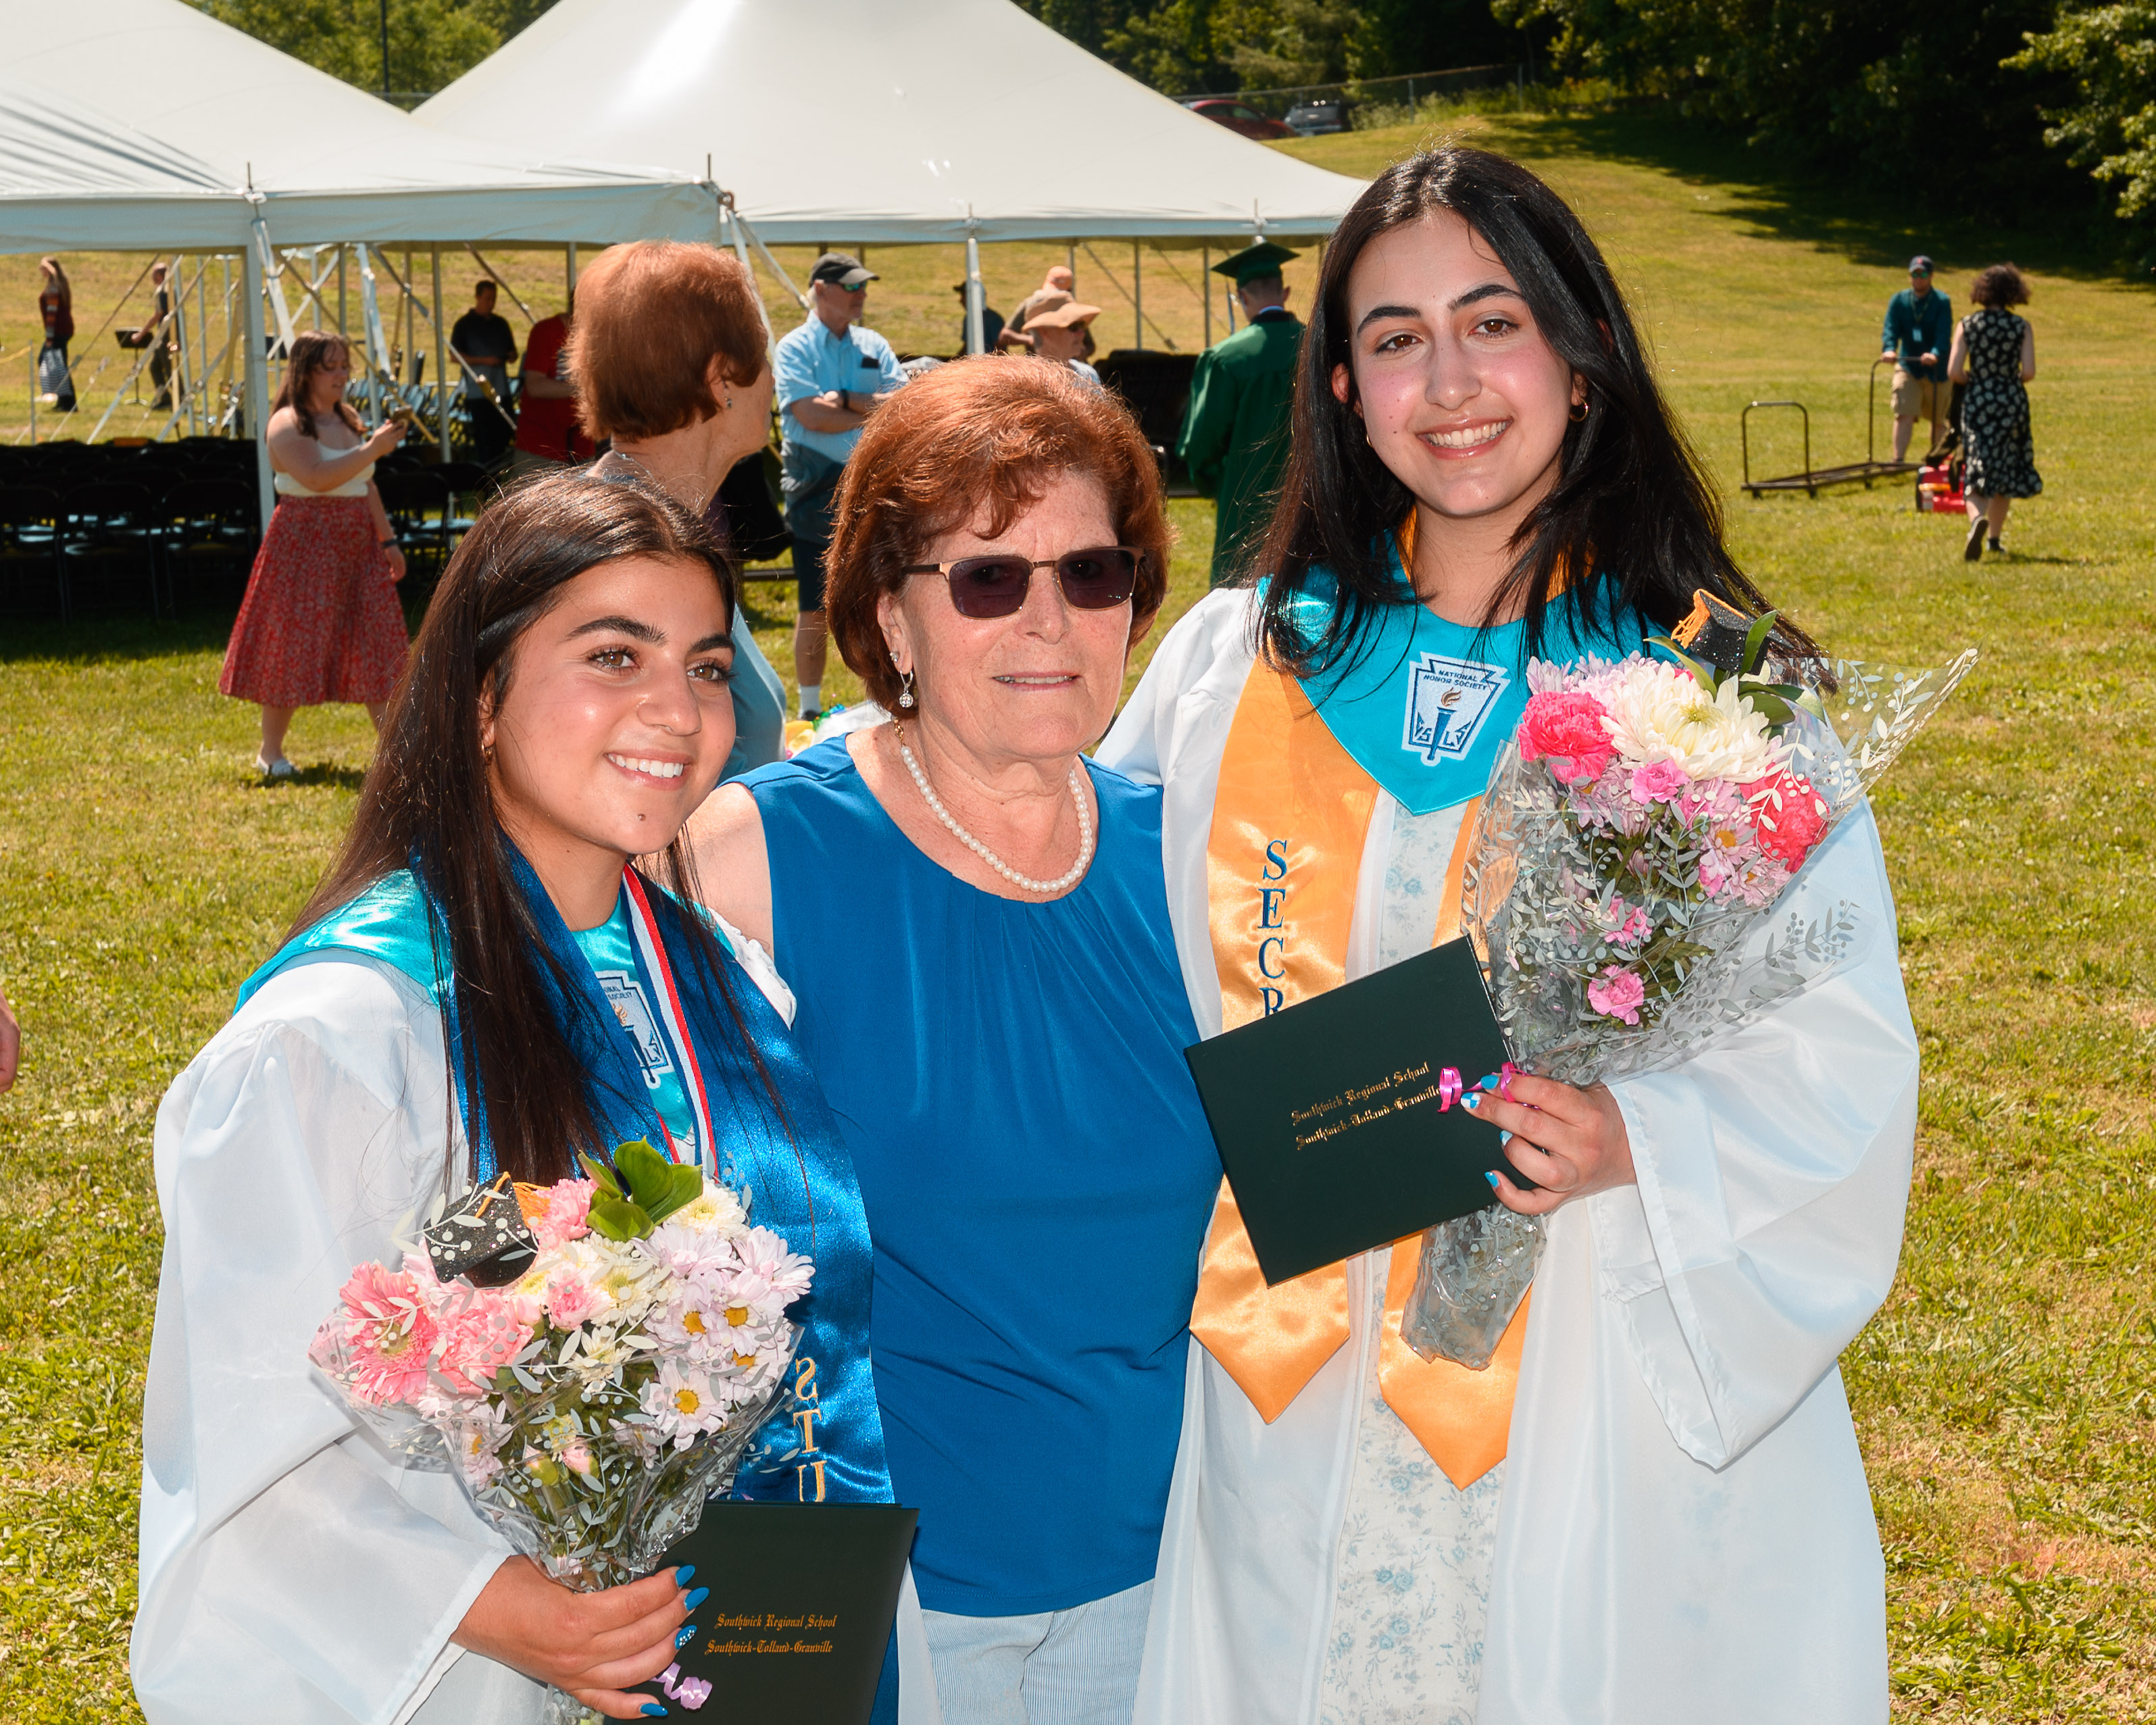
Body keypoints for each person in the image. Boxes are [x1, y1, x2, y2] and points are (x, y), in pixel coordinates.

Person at [1098, 146, 1919, 1724]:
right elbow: (1086, 948)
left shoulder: (1713, 691)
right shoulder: (1238, 661)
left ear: (1579, 353)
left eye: (1493, 322)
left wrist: (1636, 1132)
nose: (1448, 380)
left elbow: (1838, 1058)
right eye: (1395, 337)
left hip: (1590, 1377)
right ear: (1339, 385)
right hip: (1290, 1367)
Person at [136, 472, 911, 1724]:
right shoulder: (349, 1034)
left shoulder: (726, 980)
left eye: (710, 667)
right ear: (481, 696)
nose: (678, 709)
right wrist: (512, 1608)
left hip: (763, 1646)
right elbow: (254, 1434)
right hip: (480, 1666)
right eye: (615, 653)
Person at [688, 359, 1224, 1721]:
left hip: (1169, 1586)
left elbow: (1330, 1183)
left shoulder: (1198, 861)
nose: (1050, 619)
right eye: (988, 576)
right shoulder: (755, 859)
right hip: (857, 1604)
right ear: (892, 617)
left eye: (1092, 573)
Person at [570, 239, 790, 779]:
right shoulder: (636, 545)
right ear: (721, 381)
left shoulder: (662, 521)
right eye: (762, 360)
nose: (773, 381)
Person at [218, 330, 409, 780]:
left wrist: (388, 540)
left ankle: (395, 757)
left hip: (357, 542)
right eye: (332, 367)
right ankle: (270, 753)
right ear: (305, 371)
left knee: (377, 642)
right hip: (304, 542)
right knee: (292, 645)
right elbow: (317, 477)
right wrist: (373, 448)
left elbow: (365, 484)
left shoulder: (348, 417)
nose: (342, 375)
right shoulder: (287, 423)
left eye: (345, 366)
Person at [773, 251, 907, 720]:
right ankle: (809, 712)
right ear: (820, 290)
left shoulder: (872, 342)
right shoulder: (792, 348)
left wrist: (847, 400)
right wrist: (869, 409)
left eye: (863, 286)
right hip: (815, 490)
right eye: (851, 287)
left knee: (885, 600)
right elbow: (808, 414)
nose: (861, 294)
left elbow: (902, 405)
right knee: (814, 605)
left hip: (872, 488)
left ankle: (887, 701)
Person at [1178, 241, 1303, 586]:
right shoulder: (1317, 349)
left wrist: (1219, 482)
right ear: (1286, 292)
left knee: (1242, 614)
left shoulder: (1226, 360)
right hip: (1312, 505)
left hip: (1245, 510)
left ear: (1242, 298)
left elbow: (1200, 446)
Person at [1949, 263, 2040, 561]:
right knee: (2006, 469)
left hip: (1979, 401)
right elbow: (2028, 373)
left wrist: (1974, 379)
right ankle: (1995, 540)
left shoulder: (1967, 324)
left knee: (1976, 464)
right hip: (2012, 401)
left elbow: (1953, 371)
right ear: (2013, 292)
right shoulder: (2021, 326)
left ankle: (1977, 519)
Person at [1882, 253, 1953, 461]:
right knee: (1904, 413)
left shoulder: (1941, 301)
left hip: (1937, 371)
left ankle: (1937, 462)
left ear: (1931, 276)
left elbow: (1943, 334)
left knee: (1938, 421)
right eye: (1914, 274)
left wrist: (1935, 354)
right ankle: (1898, 462)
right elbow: (1890, 328)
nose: (1918, 278)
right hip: (1909, 366)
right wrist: (1889, 349)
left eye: (1922, 274)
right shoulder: (1899, 300)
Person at [511, 299, 589, 476]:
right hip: (540, 449)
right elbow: (535, 386)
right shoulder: (546, 332)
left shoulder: (596, 336)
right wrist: (582, 388)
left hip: (582, 448)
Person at [450, 278, 520, 468]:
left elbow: (513, 353)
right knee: (484, 438)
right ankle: (486, 475)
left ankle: (502, 472)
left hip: (501, 389)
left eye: (494, 299)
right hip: (478, 390)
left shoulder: (501, 324)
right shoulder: (464, 325)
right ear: (478, 297)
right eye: (487, 299)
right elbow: (455, 356)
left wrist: (510, 355)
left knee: (504, 434)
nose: (491, 303)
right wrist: (484, 360)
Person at [1022, 293, 1104, 386]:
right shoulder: (1027, 382)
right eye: (1073, 327)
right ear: (1045, 332)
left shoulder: (1087, 374)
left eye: (1082, 325)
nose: (1082, 334)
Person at [997, 263, 1076, 351]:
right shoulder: (1031, 303)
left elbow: (1089, 345)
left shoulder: (1074, 310)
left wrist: (1077, 351)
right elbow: (1005, 335)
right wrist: (1033, 340)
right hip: (1036, 361)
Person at [36, 257, 75, 412]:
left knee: (52, 364)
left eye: (43, 269)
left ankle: (68, 402)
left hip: (58, 332)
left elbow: (51, 316)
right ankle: (64, 401)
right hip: (64, 330)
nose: (41, 272)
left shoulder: (53, 288)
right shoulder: (61, 286)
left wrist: (49, 338)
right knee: (59, 366)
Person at [951, 281, 1006, 353]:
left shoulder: (994, 319)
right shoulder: (968, 318)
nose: (961, 300)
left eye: (963, 295)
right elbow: (967, 346)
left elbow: (1000, 349)